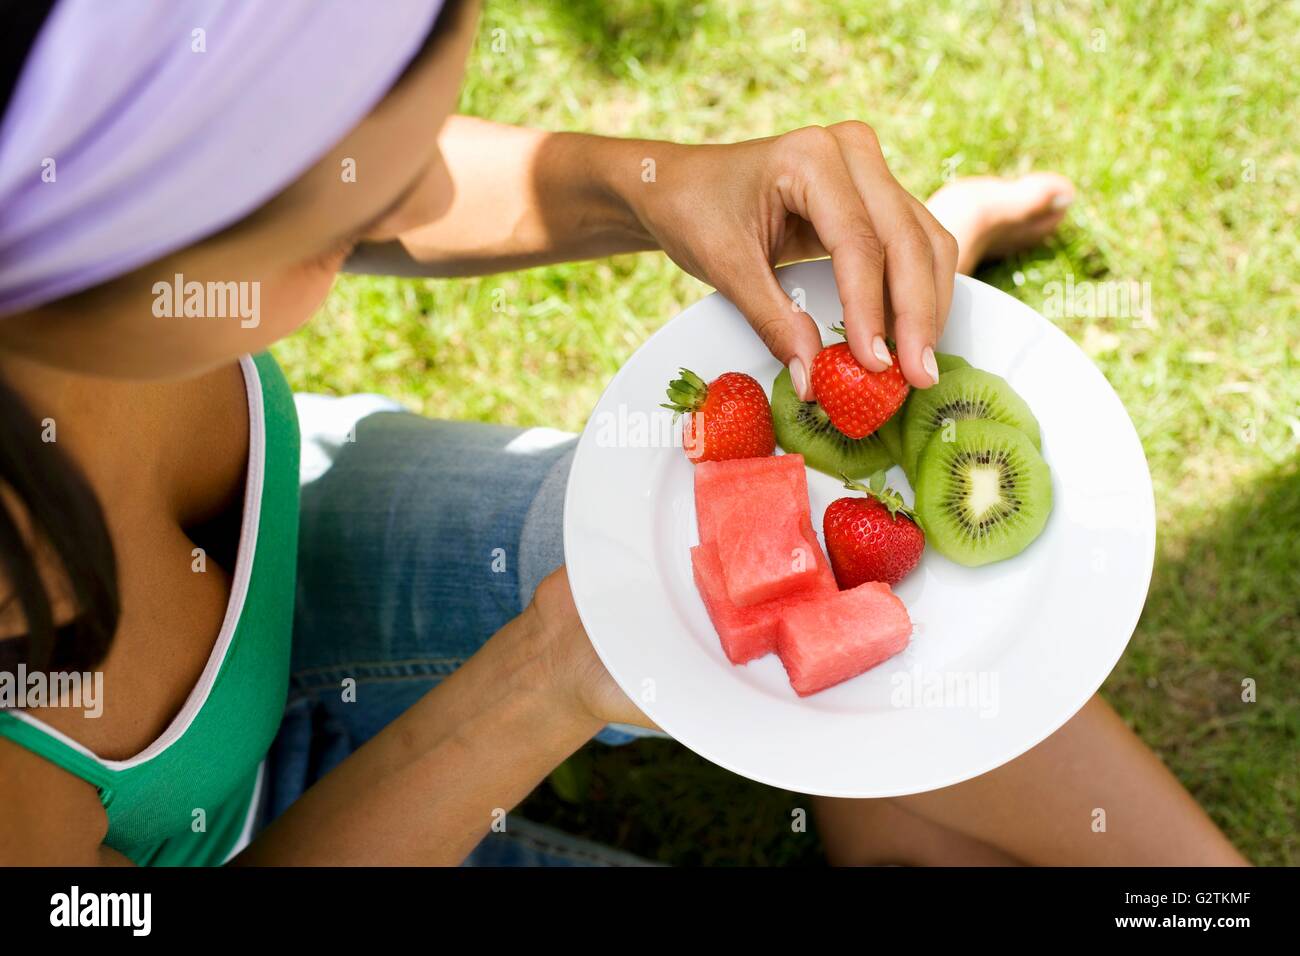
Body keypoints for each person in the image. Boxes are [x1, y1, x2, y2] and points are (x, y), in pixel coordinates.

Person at [0, 0, 1246, 866]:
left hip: (293, 554)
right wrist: (544, 675)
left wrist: (654, 181)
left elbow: (346, 178)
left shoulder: (80, 221)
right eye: (338, 226)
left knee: (888, 680)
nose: (394, 203)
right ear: (126, 232)